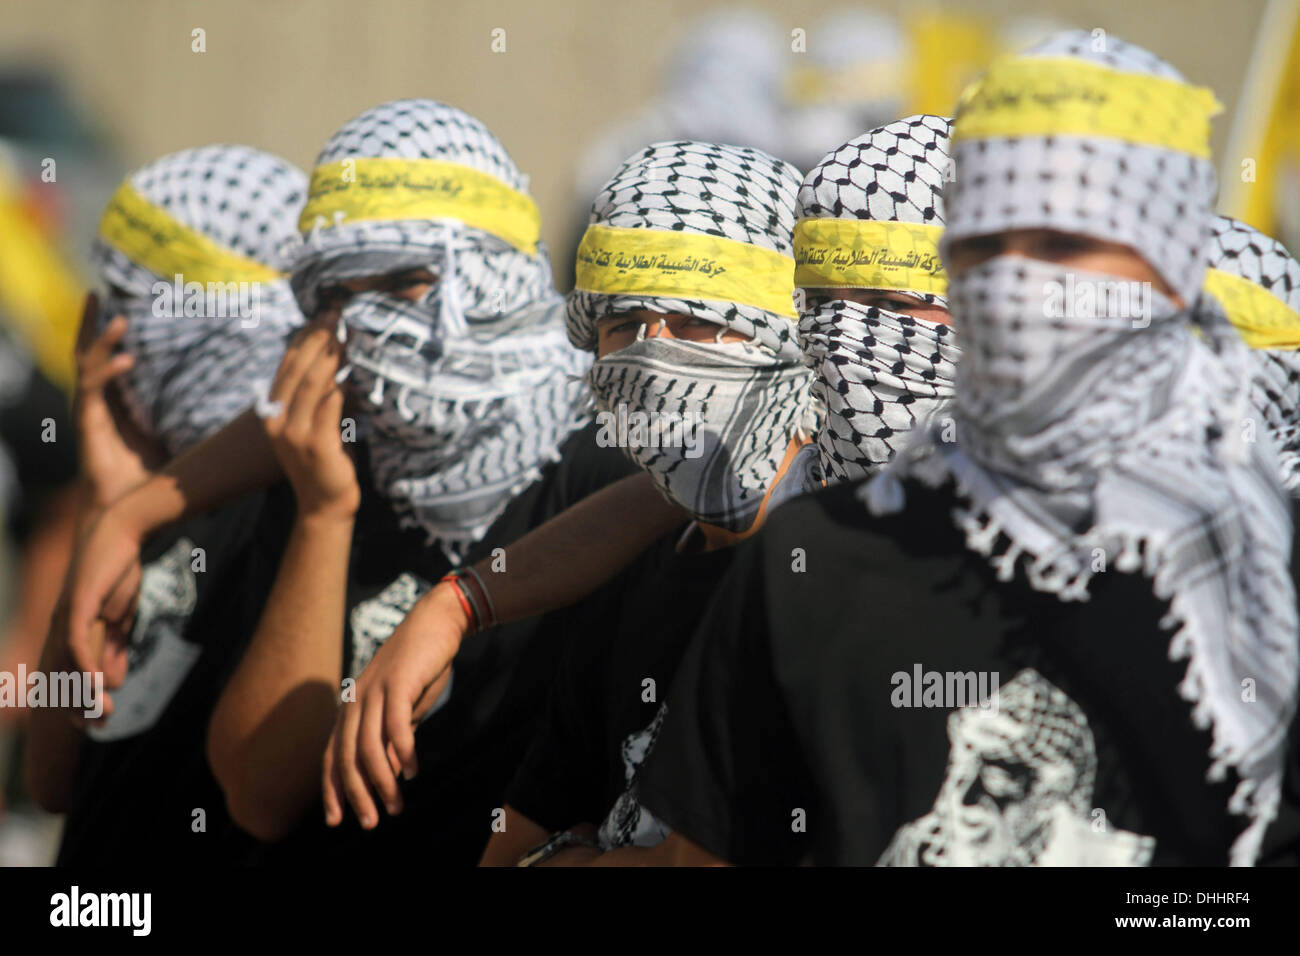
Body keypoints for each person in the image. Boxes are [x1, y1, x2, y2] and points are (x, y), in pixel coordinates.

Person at [634, 31, 1297, 866]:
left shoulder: (1267, 571)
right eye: (983, 249)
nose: (1017, 286)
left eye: (1064, 248)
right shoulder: (820, 560)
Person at [199, 100, 643, 864]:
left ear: (493, 266)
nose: (366, 325)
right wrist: (323, 516)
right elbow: (261, 797)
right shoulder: (330, 464)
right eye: (338, 297)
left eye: (405, 284)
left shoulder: (614, 464)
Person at [475, 140, 811, 865]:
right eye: (623, 327)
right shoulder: (626, 576)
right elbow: (510, 844)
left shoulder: (825, 578)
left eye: (694, 323)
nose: (653, 358)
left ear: (785, 335)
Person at [25, 144, 306, 866]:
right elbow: (53, 773)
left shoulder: (301, 505)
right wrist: (105, 501)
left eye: (128, 300)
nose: (107, 329)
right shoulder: (151, 502)